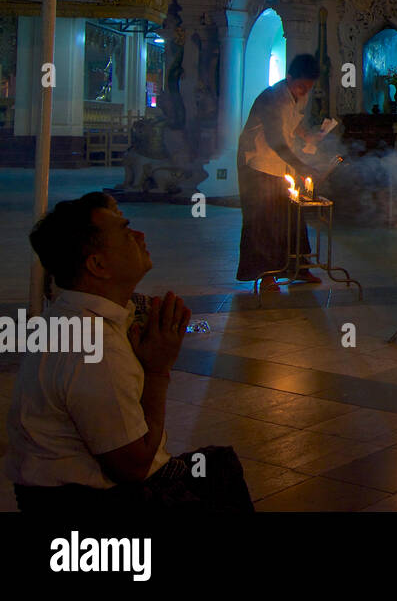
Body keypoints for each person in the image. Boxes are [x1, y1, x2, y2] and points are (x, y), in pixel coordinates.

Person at [6, 193, 253, 512]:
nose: (140, 235)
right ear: (97, 264)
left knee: (218, 467)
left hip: (62, 490)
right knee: (216, 481)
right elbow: (132, 468)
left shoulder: (77, 312)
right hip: (86, 501)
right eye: (125, 231)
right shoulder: (93, 350)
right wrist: (157, 372)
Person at [236, 53, 326, 290]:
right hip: (257, 164)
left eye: (308, 88)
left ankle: (300, 267)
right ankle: (266, 275)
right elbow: (277, 142)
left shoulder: (299, 96)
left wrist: (309, 136)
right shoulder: (273, 99)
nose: (303, 92)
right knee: (262, 220)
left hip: (280, 166)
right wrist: (303, 167)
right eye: (300, 86)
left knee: (292, 215)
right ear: (288, 78)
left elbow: (294, 125)